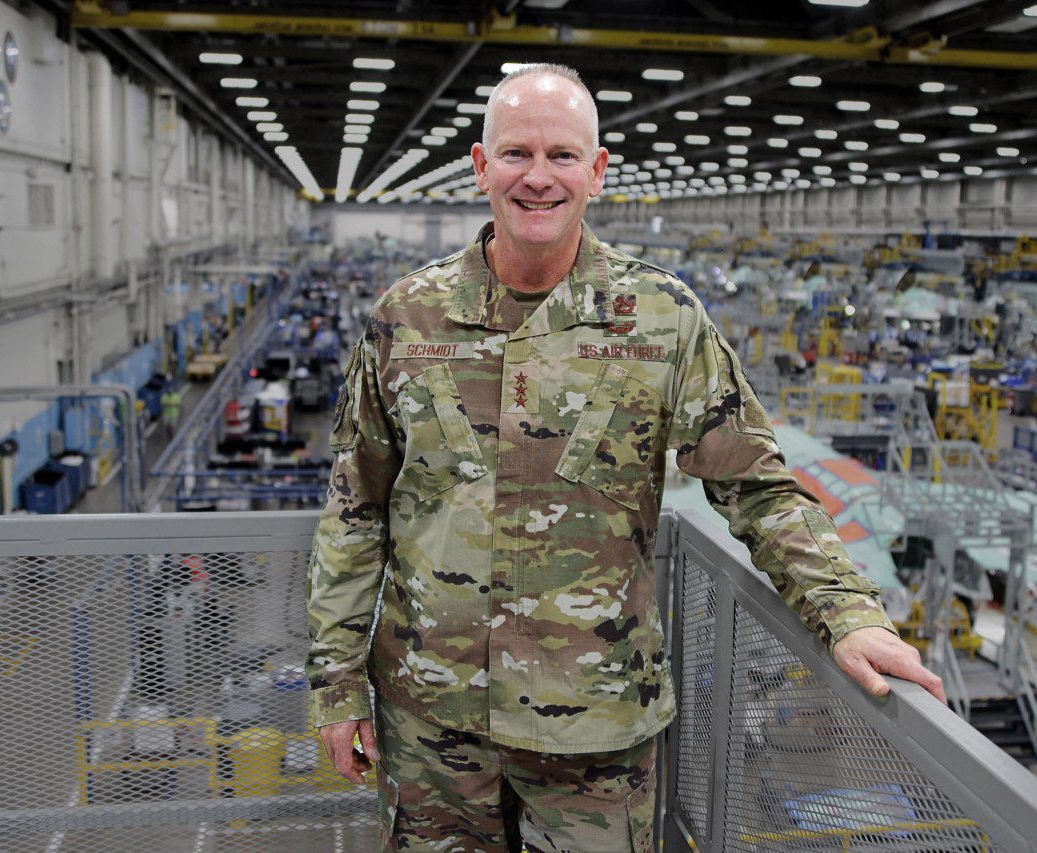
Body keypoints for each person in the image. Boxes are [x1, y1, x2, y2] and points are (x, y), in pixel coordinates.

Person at [305, 63, 945, 853]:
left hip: (596, 728)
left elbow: (757, 487)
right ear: (480, 166)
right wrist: (337, 685)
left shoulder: (662, 319)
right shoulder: (407, 318)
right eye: (516, 154)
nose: (538, 177)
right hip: (432, 722)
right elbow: (355, 509)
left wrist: (847, 613)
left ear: (598, 171)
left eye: (563, 156)